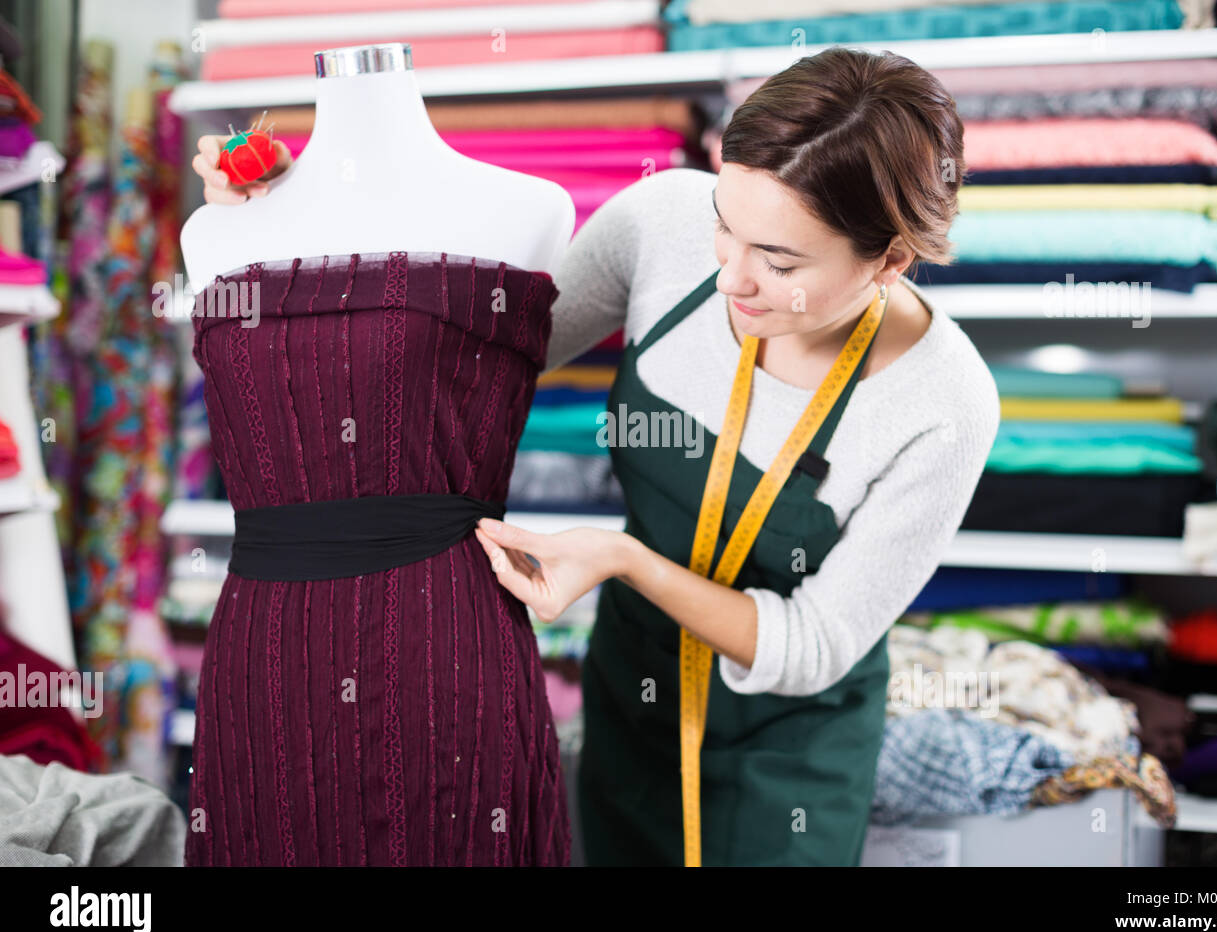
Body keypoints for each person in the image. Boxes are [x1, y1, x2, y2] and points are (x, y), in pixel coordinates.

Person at [192, 47, 1001, 866]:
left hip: (789, 752)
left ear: (891, 259)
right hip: (633, 696)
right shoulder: (661, 225)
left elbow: (814, 643)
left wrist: (623, 559)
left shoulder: (942, 404)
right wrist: (305, 219)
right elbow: (461, 358)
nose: (731, 277)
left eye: (781, 262)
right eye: (727, 223)